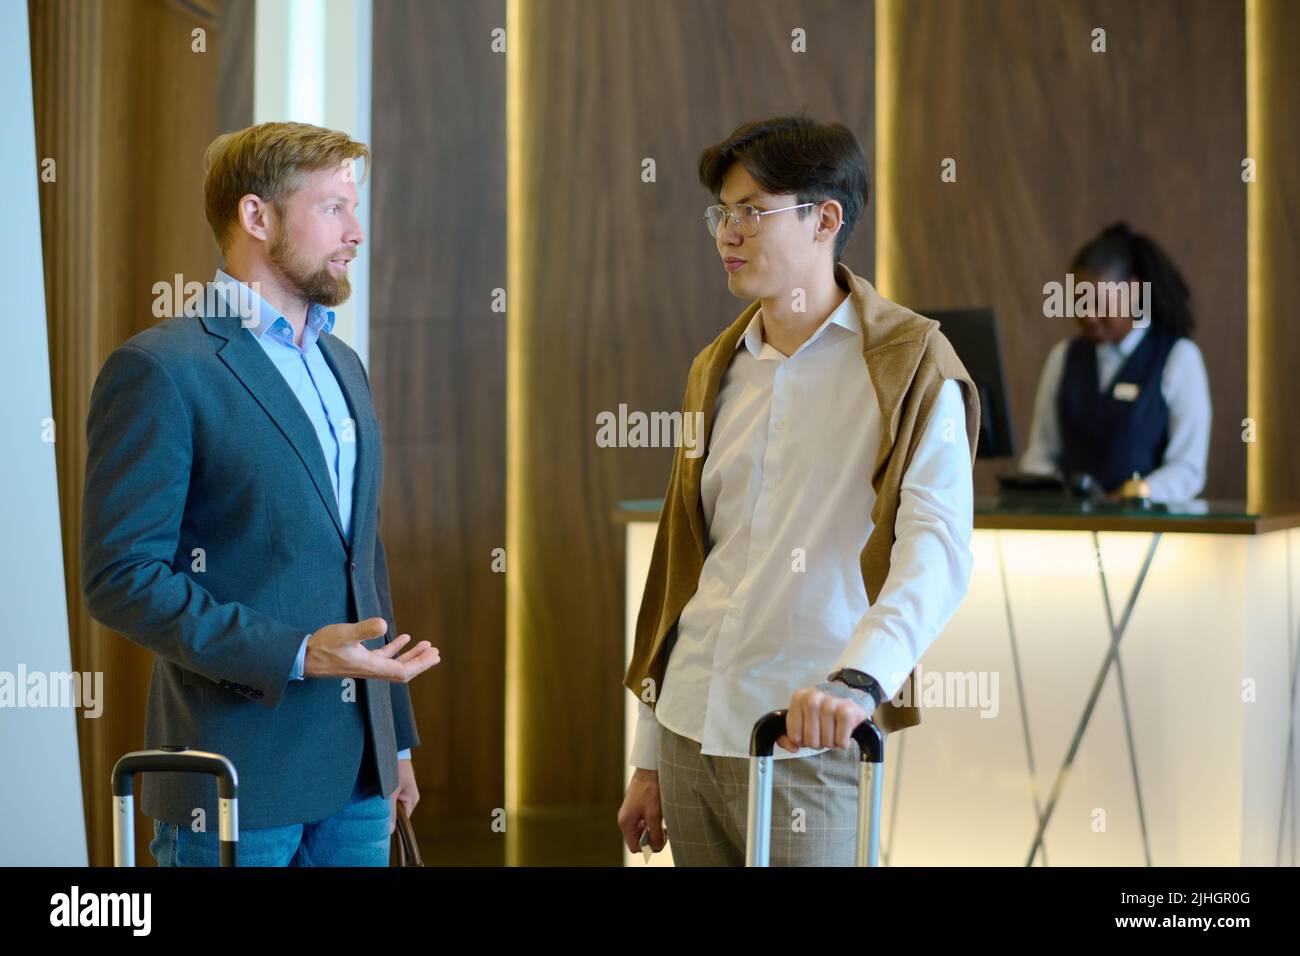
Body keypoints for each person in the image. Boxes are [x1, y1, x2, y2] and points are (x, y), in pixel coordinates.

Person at [618, 115, 980, 866]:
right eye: (722, 213)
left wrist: (859, 681)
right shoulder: (715, 368)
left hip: (806, 737)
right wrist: (649, 751)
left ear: (825, 219)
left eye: (752, 211)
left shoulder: (912, 365)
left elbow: (937, 550)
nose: (728, 232)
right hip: (690, 726)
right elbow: (684, 570)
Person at [81, 122, 440, 866]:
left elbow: (360, 560)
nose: (357, 232)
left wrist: (394, 739)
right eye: (334, 208)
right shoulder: (160, 369)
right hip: (233, 775)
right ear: (256, 217)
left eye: (355, 207)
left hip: (360, 782)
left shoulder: (344, 362)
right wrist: (295, 654)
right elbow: (121, 579)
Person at [1019, 222, 1211, 500]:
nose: (1090, 317)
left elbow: (1188, 469)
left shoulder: (1178, 357)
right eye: (1079, 303)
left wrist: (1136, 493)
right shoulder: (1064, 356)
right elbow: (1042, 452)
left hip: (1148, 528)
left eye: (1099, 303)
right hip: (1068, 529)